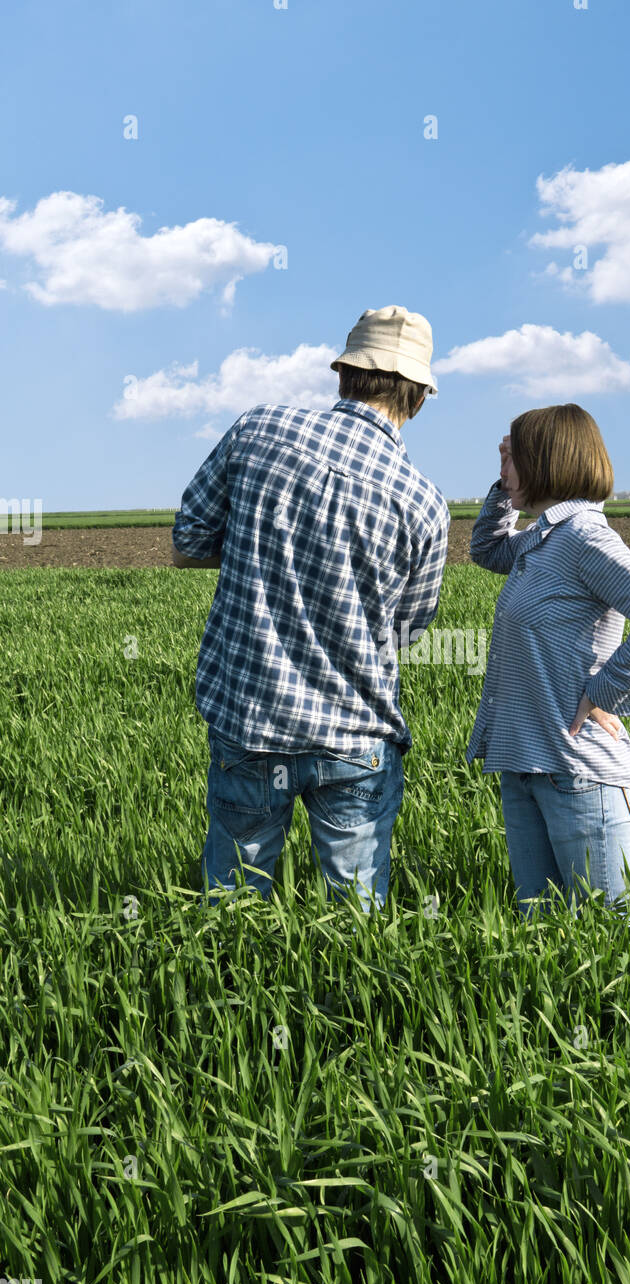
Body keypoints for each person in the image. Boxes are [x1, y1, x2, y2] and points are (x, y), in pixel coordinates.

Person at [172, 306, 450, 909]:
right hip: (355, 739)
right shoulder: (424, 502)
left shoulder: (258, 429)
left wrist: (260, 553)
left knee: (231, 912)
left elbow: (188, 539)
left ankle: (223, 999)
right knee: (357, 924)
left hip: (250, 723)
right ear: (420, 396)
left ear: (344, 371)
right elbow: (408, 630)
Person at [468, 404, 630, 918]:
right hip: (524, 766)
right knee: (543, 944)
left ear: (546, 461)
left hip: (578, 773)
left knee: (608, 941)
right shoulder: (545, 539)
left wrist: (604, 691)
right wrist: (504, 488)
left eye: (515, 457)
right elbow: (486, 550)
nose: (505, 468)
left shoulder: (584, 538)